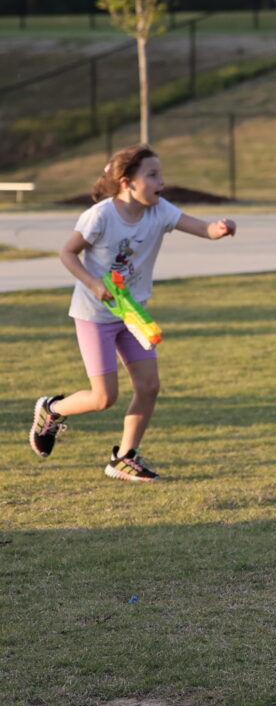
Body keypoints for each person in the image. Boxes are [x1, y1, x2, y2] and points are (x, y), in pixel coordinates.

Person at [30, 145, 237, 481]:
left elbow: (203, 229)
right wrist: (94, 284)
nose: (162, 182)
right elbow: (67, 253)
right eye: (153, 175)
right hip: (94, 314)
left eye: (161, 174)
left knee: (149, 386)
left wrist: (221, 227)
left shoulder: (160, 211)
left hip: (132, 315)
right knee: (103, 398)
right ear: (127, 182)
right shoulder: (100, 215)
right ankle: (51, 410)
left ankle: (124, 457)